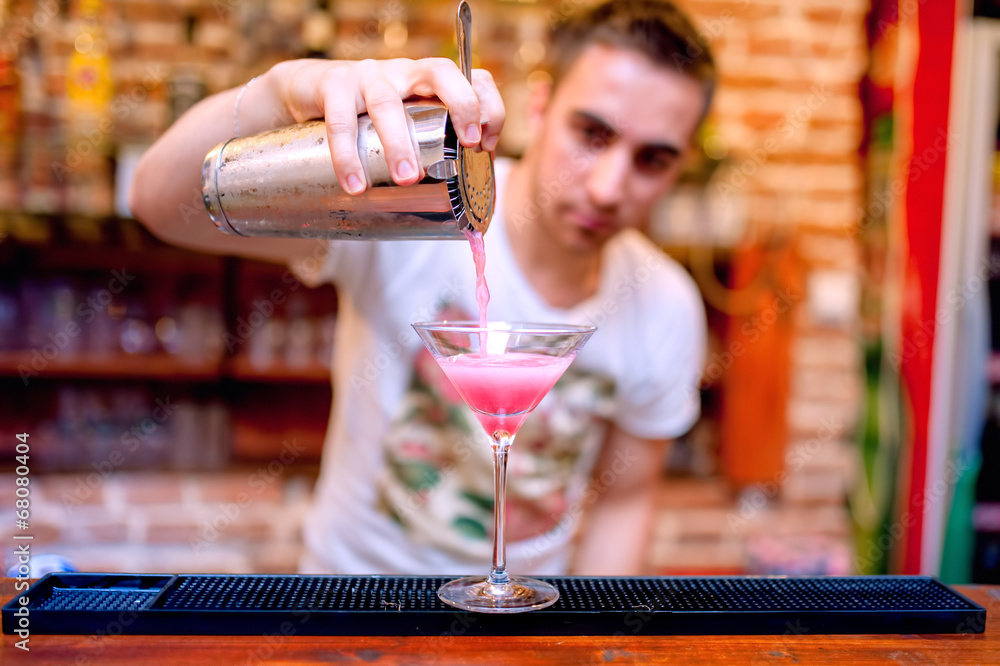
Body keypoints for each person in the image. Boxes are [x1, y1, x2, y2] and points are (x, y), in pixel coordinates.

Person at [129, 0, 713, 576]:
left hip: (527, 625)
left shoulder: (666, 305)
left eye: (653, 160)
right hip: (354, 603)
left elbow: (625, 500)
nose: (610, 188)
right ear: (540, 105)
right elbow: (157, 205)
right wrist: (275, 93)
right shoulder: (406, 208)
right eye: (592, 133)